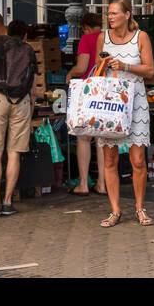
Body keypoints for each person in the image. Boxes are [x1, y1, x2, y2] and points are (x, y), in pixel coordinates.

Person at [97, 0, 154, 228]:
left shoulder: (141, 37)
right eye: (108, 14)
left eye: (114, 13)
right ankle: (115, 210)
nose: (110, 17)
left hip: (135, 101)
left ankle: (140, 208)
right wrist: (104, 65)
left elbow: (150, 70)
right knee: (110, 158)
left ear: (127, 14)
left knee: (137, 159)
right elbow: (96, 69)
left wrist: (126, 66)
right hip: (111, 102)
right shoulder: (103, 38)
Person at [0, 12, 37, 218]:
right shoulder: (29, 50)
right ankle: (8, 201)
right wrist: (31, 106)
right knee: (14, 152)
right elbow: (33, 85)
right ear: (24, 36)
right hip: (20, 101)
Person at [66, 12, 106, 197]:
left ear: (86, 28)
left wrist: (70, 73)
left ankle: (83, 184)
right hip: (106, 91)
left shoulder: (87, 39)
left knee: (84, 137)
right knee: (102, 138)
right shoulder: (109, 37)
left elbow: (82, 68)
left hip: (89, 91)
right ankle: (102, 184)